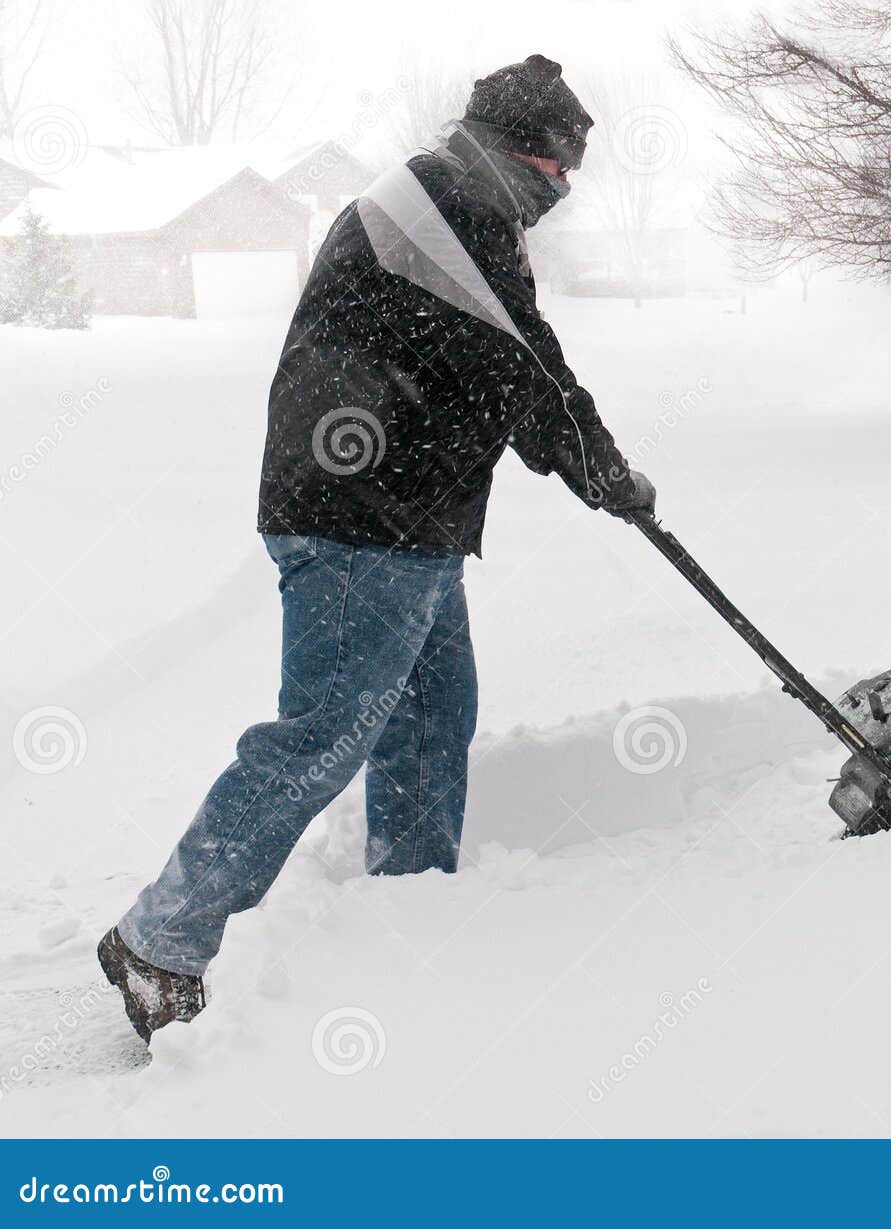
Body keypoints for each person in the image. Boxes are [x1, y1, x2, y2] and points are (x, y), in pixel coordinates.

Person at [96, 55, 653, 1042]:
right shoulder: (449, 209)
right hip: (363, 516)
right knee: (324, 731)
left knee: (433, 714)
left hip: (405, 518)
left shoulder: (452, 201)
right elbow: (525, 372)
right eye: (561, 170)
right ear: (530, 154)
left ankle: (410, 900)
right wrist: (602, 470)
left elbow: (508, 368)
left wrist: (592, 465)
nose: (563, 192)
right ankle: (162, 937)